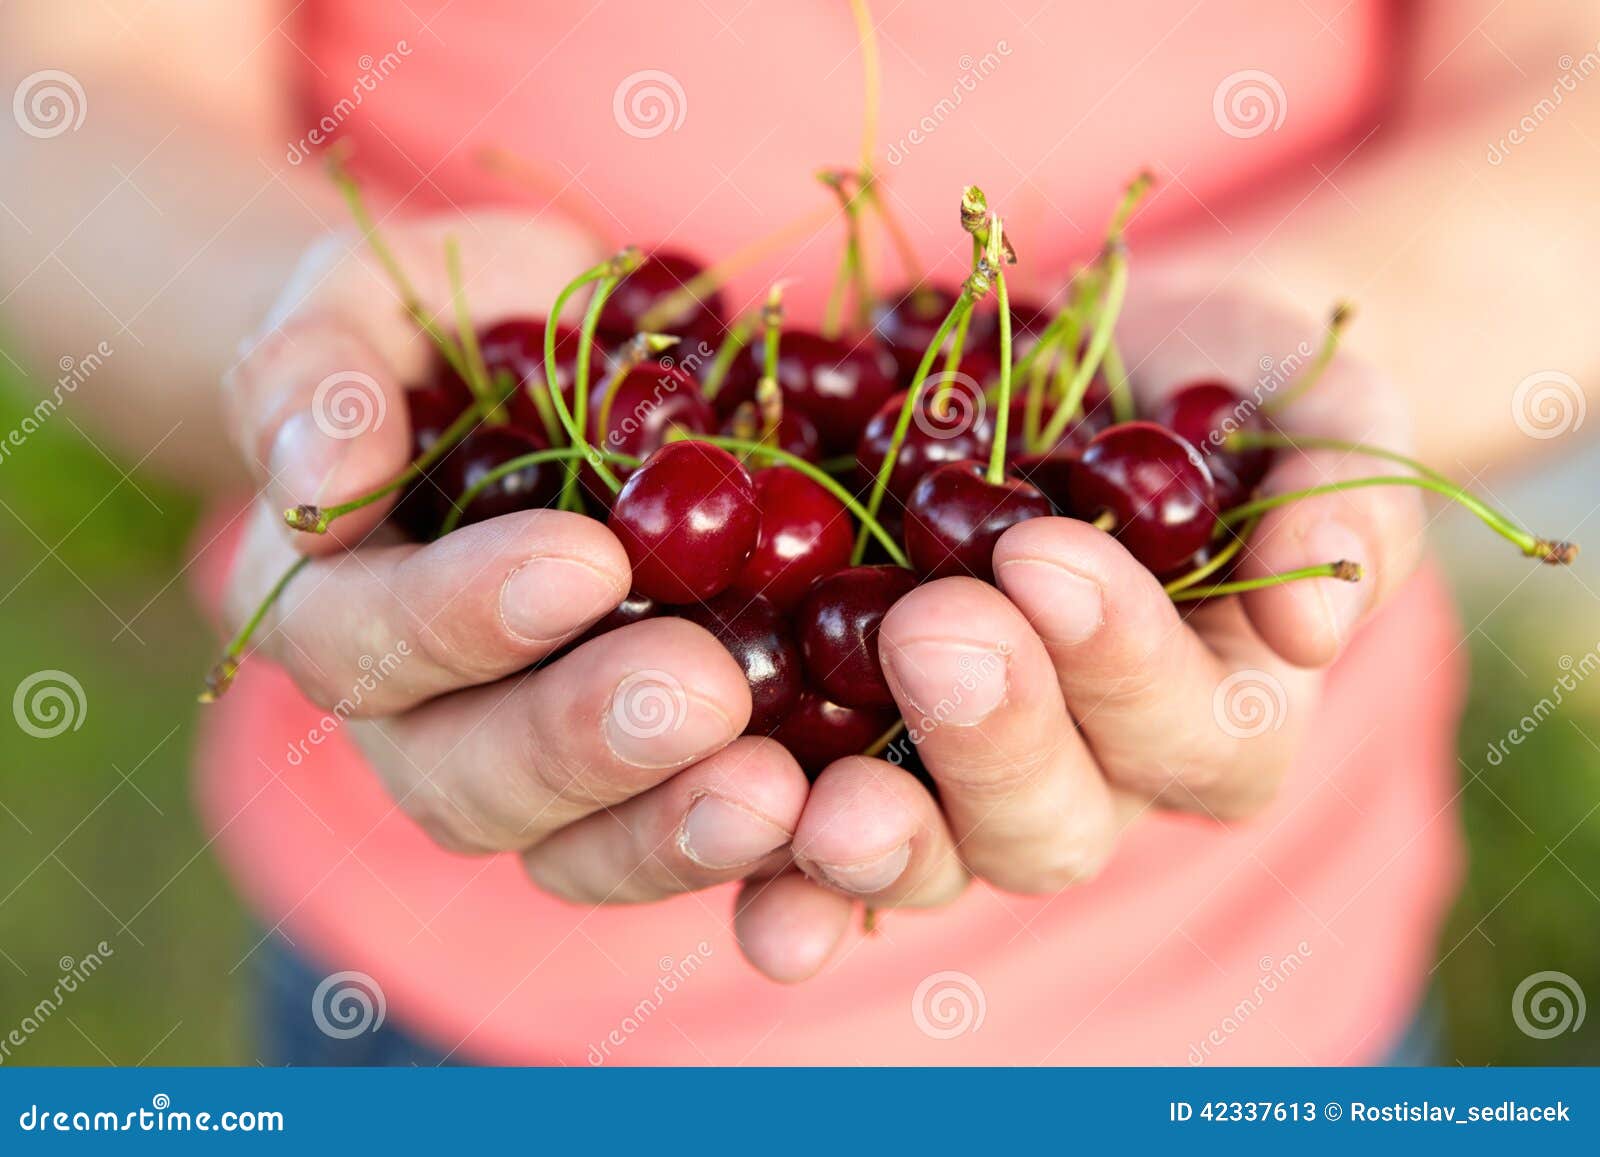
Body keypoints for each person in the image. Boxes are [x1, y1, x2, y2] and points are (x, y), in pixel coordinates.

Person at [3, 0, 1593, 1065]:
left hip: (1239, 1002)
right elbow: (66, 90)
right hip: (436, 978)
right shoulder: (569, 451)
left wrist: (1323, 357)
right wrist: (293, 342)